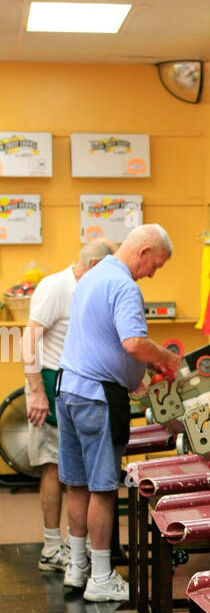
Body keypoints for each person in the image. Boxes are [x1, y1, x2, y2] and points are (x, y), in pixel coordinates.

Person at [57, 224, 182, 602]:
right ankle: (100, 577)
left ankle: (77, 567)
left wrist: (134, 379)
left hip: (69, 390)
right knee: (104, 489)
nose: (152, 273)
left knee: (77, 484)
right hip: (97, 397)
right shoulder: (125, 285)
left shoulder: (93, 276)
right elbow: (133, 342)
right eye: (155, 265)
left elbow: (101, 339)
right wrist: (165, 359)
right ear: (144, 252)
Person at [24, 240, 116, 574]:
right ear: (94, 265)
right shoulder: (56, 287)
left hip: (78, 386)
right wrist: (36, 391)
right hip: (49, 383)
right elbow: (29, 338)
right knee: (52, 465)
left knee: (80, 473)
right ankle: (51, 547)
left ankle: (83, 545)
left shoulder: (91, 288)